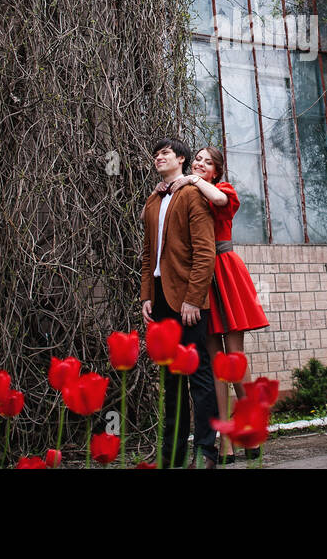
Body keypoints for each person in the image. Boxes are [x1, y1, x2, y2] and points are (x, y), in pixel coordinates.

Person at [171, 146, 269, 463]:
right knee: (216, 368)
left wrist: (190, 180)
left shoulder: (220, 189)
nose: (200, 163)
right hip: (202, 278)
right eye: (197, 159)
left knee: (234, 363)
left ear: (216, 171)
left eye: (207, 162)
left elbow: (221, 202)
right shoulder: (189, 194)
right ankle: (225, 442)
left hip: (225, 272)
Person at [140, 137, 219, 468]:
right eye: (156, 154)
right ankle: (172, 455)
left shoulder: (192, 195)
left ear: (182, 159)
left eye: (165, 153)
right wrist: (146, 294)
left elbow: (205, 253)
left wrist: (193, 299)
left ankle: (205, 454)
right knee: (170, 381)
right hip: (159, 300)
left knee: (198, 377)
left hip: (186, 302)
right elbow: (148, 255)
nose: (159, 157)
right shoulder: (153, 201)